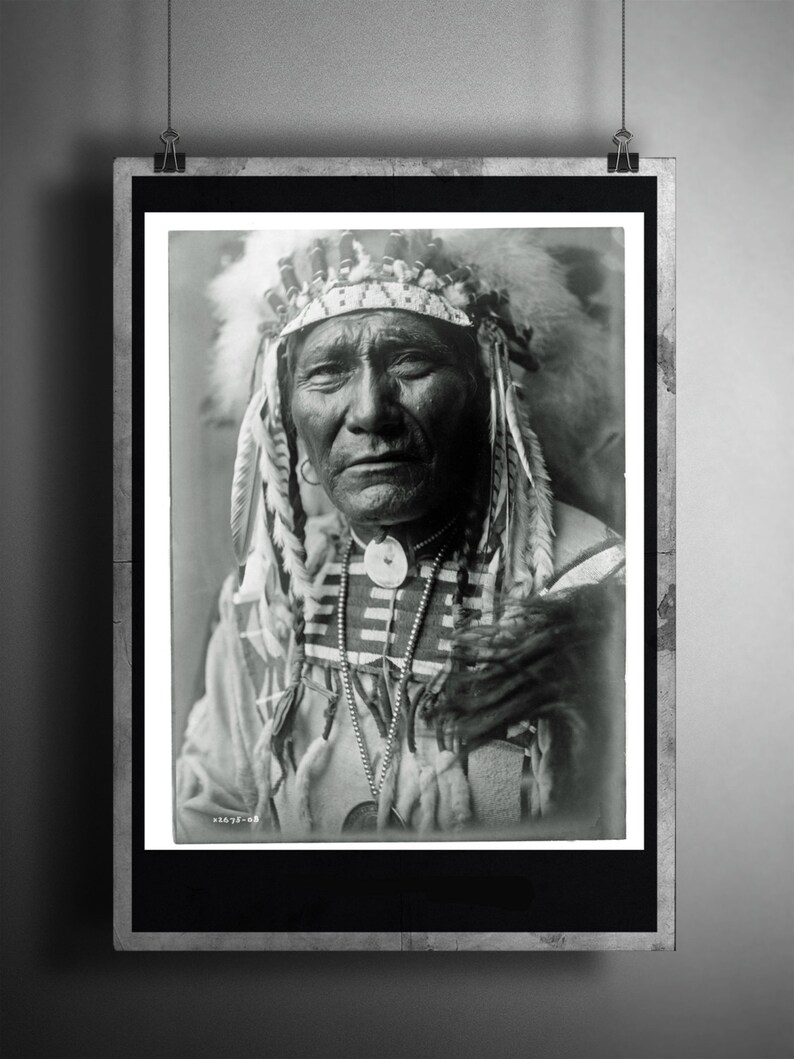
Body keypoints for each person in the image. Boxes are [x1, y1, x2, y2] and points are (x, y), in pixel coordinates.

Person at [176, 229, 626, 841]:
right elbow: (214, 814)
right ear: (293, 432)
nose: (369, 412)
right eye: (328, 373)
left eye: (411, 362)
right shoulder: (268, 605)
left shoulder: (593, 584)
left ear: (486, 401)